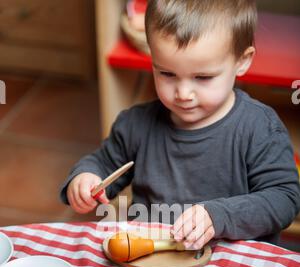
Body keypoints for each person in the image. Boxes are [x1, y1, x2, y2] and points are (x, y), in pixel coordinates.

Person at [60, 0, 300, 249]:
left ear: (242, 61)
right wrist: (86, 177)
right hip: (151, 259)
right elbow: (104, 163)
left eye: (203, 77)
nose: (183, 93)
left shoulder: (259, 128)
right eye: (167, 73)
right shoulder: (135, 124)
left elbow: (284, 199)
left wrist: (219, 216)